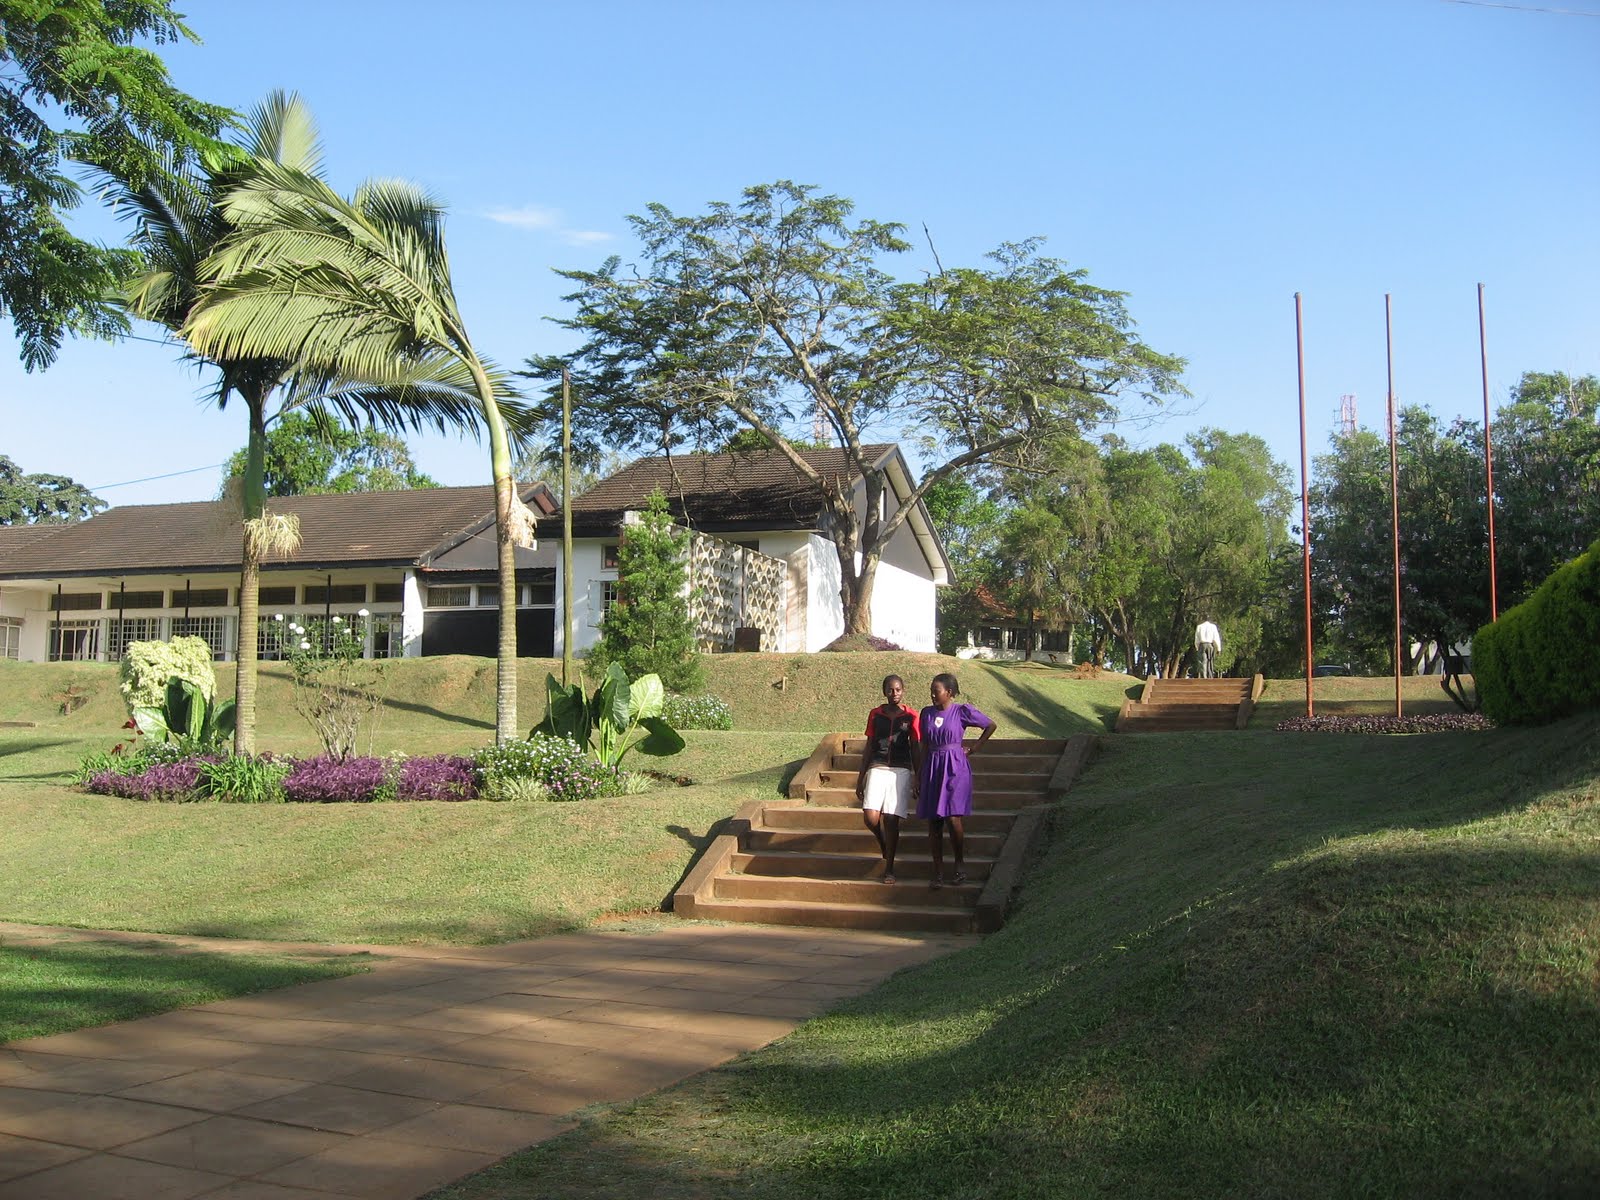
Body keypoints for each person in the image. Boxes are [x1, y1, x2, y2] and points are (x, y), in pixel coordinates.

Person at [915, 672, 995, 889]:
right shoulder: (926, 713)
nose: (932, 694)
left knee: (953, 818)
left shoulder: (961, 711)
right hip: (933, 767)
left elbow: (990, 725)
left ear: (948, 693)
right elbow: (924, 746)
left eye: (936, 691)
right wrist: (919, 774)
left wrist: (975, 748)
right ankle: (938, 870)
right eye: (931, 690)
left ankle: (959, 865)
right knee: (934, 822)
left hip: (955, 768)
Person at [855, 674, 920, 884]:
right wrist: (860, 777)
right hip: (878, 765)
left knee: (891, 819)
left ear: (903, 691)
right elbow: (869, 746)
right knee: (871, 817)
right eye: (891, 690)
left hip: (901, 768)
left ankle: (889, 868)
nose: (895, 694)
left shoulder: (911, 716)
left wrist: (917, 776)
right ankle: (883, 842)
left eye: (898, 689)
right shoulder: (875, 714)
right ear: (884, 691)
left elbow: (915, 748)